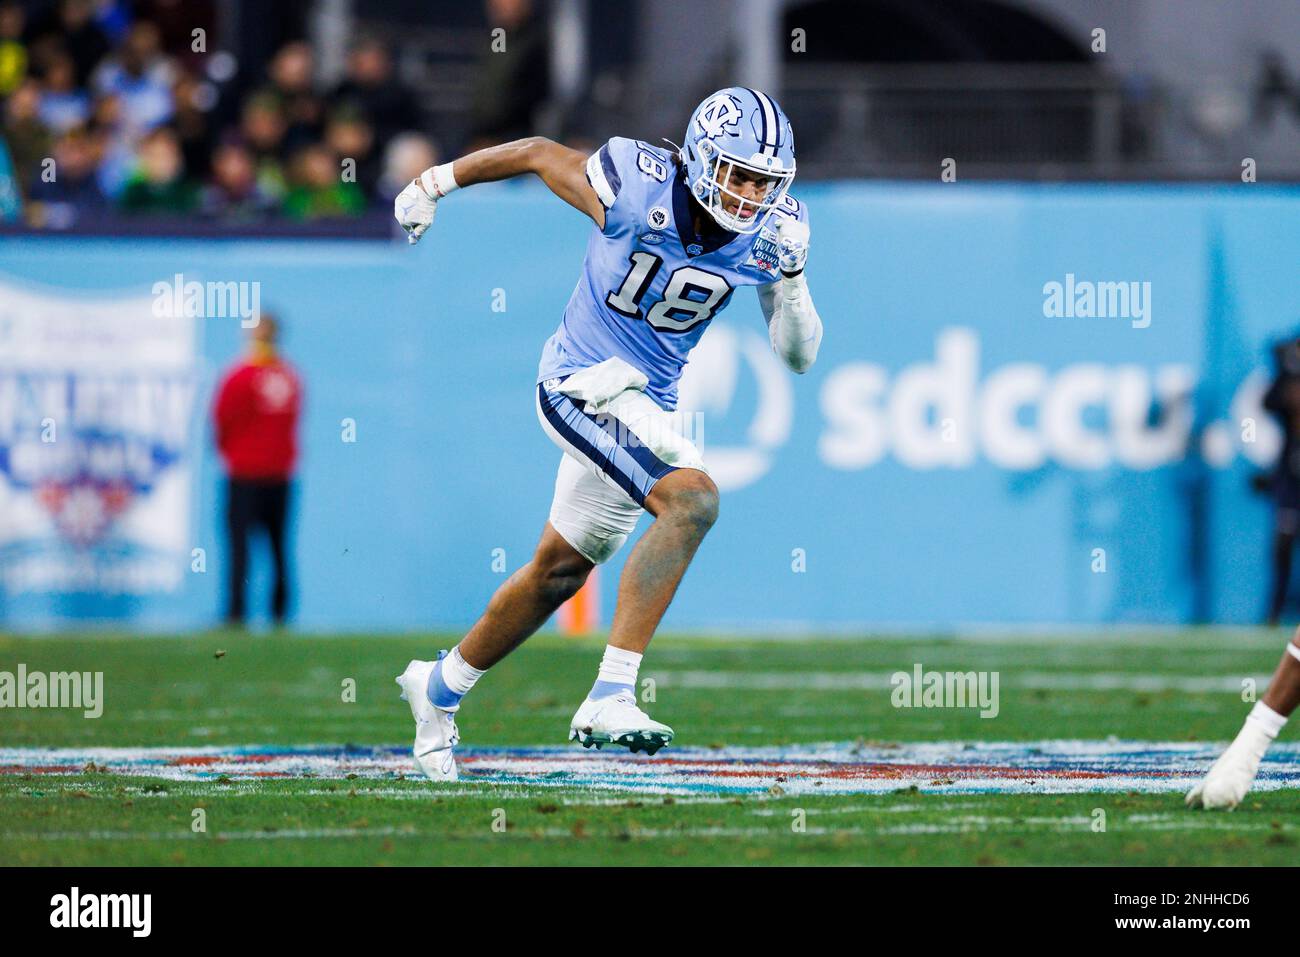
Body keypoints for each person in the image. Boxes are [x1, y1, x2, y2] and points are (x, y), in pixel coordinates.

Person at [392, 88, 822, 781]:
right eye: (738, 174)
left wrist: (795, 276)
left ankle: (437, 687)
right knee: (693, 501)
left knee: (558, 573)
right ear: (704, 159)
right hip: (580, 383)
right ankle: (611, 694)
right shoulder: (635, 185)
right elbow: (536, 152)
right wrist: (436, 181)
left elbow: (798, 355)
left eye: (763, 182)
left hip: (643, 404)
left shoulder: (772, 233)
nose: (748, 195)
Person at [212, 314, 302, 627]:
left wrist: (235, 455)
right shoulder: (290, 377)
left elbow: (221, 422)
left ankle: (236, 613)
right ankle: (279, 615)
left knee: (240, 548)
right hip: (279, 476)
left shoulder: (237, 376)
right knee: (278, 546)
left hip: (245, 475)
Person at [1262, 334, 1300, 625]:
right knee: (1283, 544)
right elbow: (1270, 402)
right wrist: (1285, 372)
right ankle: (1275, 609)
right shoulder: (1287, 380)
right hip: (1292, 475)